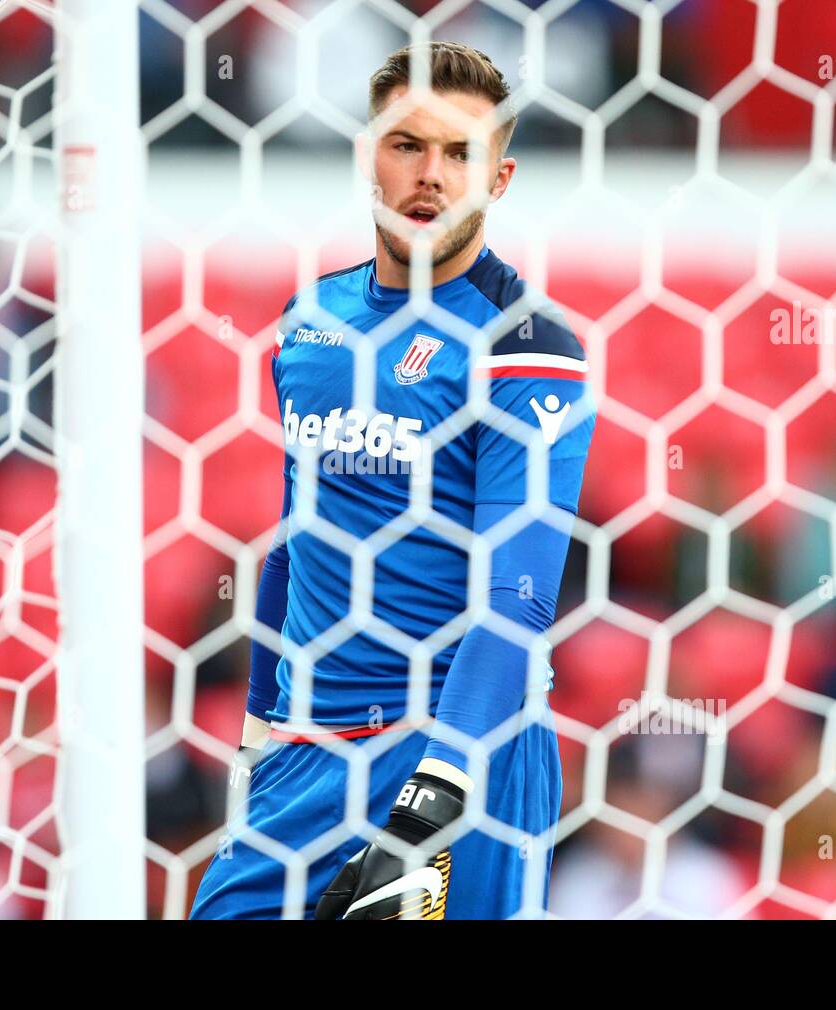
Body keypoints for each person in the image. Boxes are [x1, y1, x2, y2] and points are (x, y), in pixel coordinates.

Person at [190, 40, 594, 920]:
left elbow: (518, 595)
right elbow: (297, 545)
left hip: (463, 757)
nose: (432, 175)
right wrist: (257, 741)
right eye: (408, 144)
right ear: (366, 154)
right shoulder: (311, 321)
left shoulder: (528, 348)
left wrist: (442, 782)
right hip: (308, 749)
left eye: (461, 154)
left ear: (500, 176)